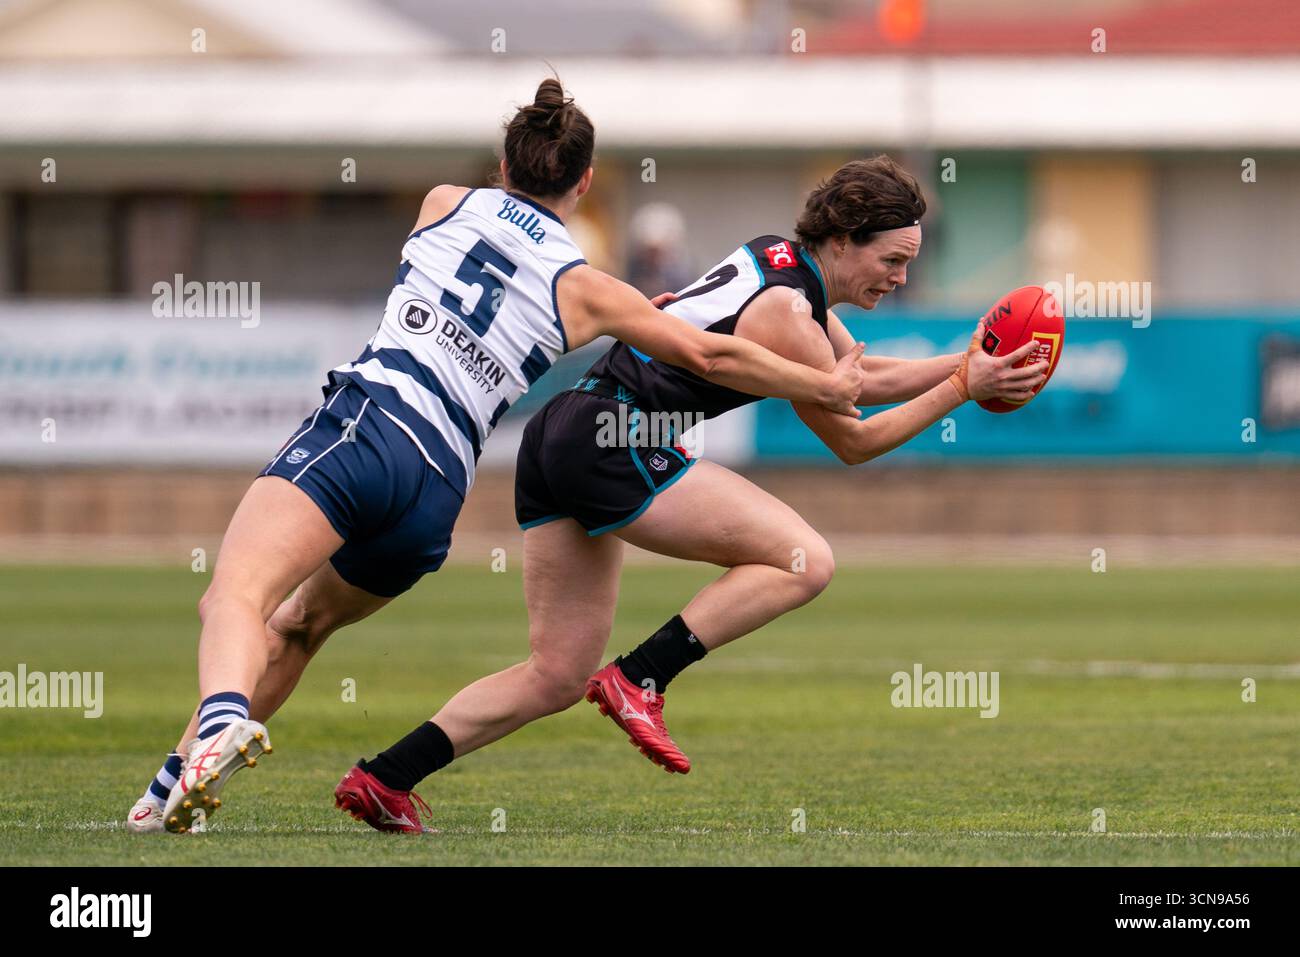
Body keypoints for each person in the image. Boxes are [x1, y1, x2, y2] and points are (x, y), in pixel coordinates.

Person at [126, 79, 867, 834]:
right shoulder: (590, 290)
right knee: (301, 625)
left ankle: (221, 719)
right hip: (436, 491)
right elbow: (709, 351)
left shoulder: (444, 202)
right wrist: (823, 381)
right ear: (584, 182)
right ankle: (166, 793)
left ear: (503, 162)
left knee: (235, 601)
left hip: (371, 425)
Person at [335, 154, 1046, 831]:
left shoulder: (784, 264)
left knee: (554, 673)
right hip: (617, 436)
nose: (898, 277)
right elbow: (853, 439)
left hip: (563, 432)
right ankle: (641, 676)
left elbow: (863, 374)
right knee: (804, 560)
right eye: (891, 260)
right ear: (841, 238)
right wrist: (962, 389)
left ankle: (387, 776)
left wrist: (968, 359)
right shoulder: (789, 316)